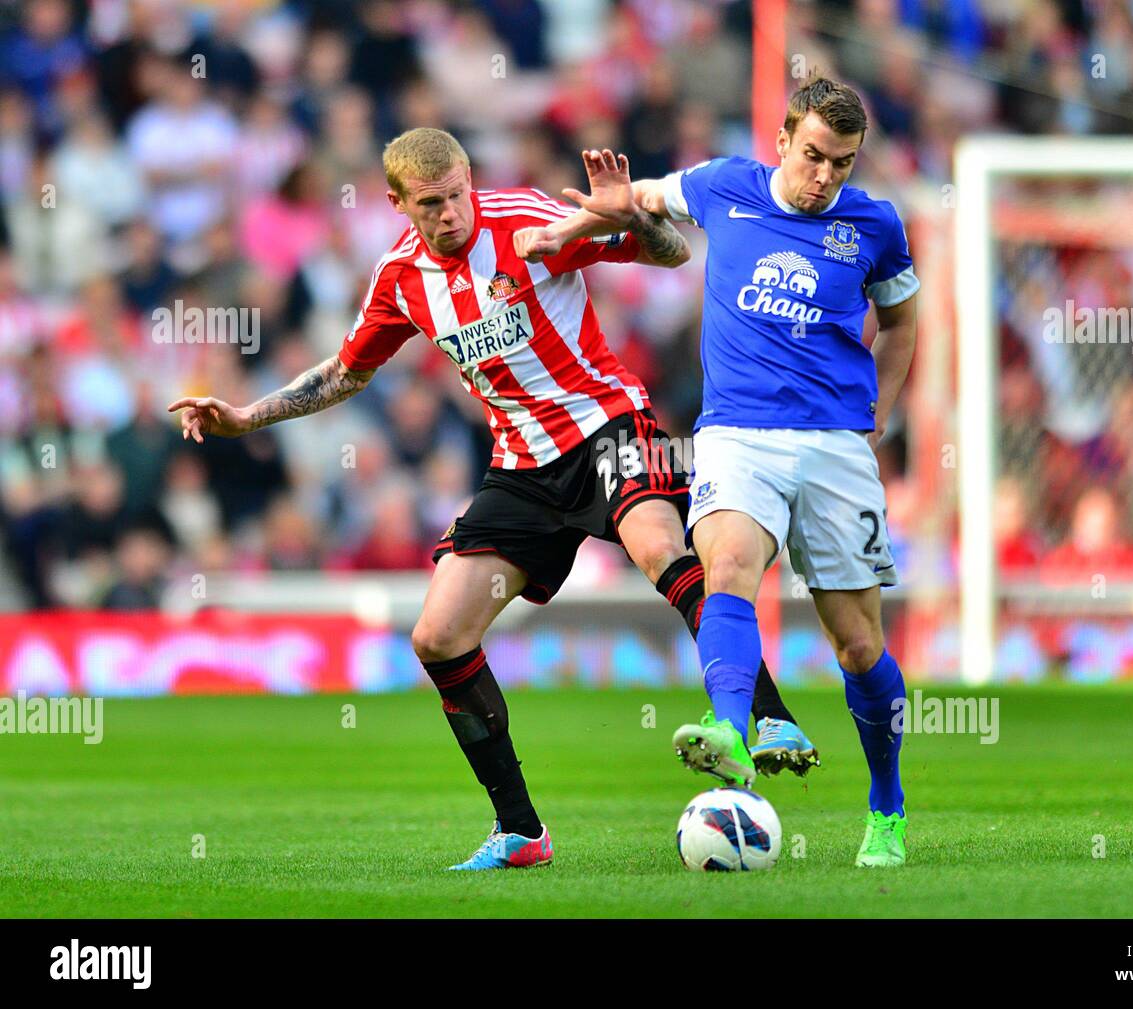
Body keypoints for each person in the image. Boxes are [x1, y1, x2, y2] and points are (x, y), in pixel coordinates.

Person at [169, 128, 815, 872]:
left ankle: (765, 716)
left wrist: (628, 218)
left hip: (608, 424)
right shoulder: (401, 278)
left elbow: (669, 253)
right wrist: (248, 415)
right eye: (431, 204)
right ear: (398, 204)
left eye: (457, 195)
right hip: (521, 470)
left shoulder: (526, 222)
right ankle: (520, 831)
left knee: (660, 548)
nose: (451, 214)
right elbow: (348, 372)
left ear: (470, 180)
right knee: (437, 637)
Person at [526, 78, 919, 867]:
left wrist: (882, 412)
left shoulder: (874, 224)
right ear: (781, 141)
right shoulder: (723, 187)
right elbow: (639, 198)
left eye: (842, 163)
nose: (825, 176)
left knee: (858, 646)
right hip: (738, 434)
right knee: (728, 565)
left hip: (836, 445)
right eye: (813, 155)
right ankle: (732, 733)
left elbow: (904, 320)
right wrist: (588, 216)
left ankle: (888, 808)